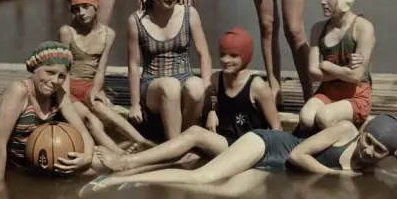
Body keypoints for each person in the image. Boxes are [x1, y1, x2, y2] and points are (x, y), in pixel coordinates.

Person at [96, 26, 281, 172]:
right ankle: (134, 170)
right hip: (224, 142)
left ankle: (127, 161)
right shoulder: (218, 79)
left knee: (193, 133)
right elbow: (210, 104)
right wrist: (211, 112)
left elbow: (276, 128)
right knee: (183, 157)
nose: (226, 60)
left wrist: (270, 162)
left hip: (246, 146)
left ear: (246, 57)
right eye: (223, 55)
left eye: (233, 56)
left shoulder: (257, 86)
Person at [84, 114, 397, 191]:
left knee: (226, 194)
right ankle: (120, 177)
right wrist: (339, 174)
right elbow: (299, 156)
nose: (368, 151)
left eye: (379, 151)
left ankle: (150, 179)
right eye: (370, 142)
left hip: (270, 169)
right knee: (204, 177)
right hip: (269, 145)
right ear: (364, 132)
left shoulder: (374, 164)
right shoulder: (348, 130)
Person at [59, 0, 154, 153]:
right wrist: (63, 98)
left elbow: (101, 69)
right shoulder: (67, 32)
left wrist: (96, 89)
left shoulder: (108, 34)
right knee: (91, 120)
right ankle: (121, 156)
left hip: (89, 87)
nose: (81, 13)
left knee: (104, 110)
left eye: (86, 6)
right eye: (76, 8)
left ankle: (145, 144)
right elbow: (62, 70)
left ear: (96, 6)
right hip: (68, 88)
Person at [0, 41, 98, 186]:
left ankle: (132, 165)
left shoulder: (58, 93)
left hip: (50, 158)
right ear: (34, 68)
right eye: (50, 72)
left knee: (103, 158)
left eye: (61, 76)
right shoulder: (18, 91)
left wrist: (86, 158)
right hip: (21, 167)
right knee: (104, 165)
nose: (55, 81)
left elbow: (83, 131)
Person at [127, 0, 212, 142]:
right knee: (170, 86)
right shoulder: (137, 20)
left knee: (196, 87)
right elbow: (134, 65)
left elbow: (203, 54)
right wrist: (134, 104)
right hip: (153, 85)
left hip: (184, 76)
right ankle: (174, 146)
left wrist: (207, 95)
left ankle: (186, 140)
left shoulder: (190, 14)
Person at [299, 0, 374, 133]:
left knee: (324, 117)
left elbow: (357, 76)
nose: (322, 1)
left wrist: (326, 65)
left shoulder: (362, 27)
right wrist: (345, 71)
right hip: (328, 91)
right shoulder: (318, 29)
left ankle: (349, 140)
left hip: (356, 95)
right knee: (306, 117)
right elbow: (312, 72)